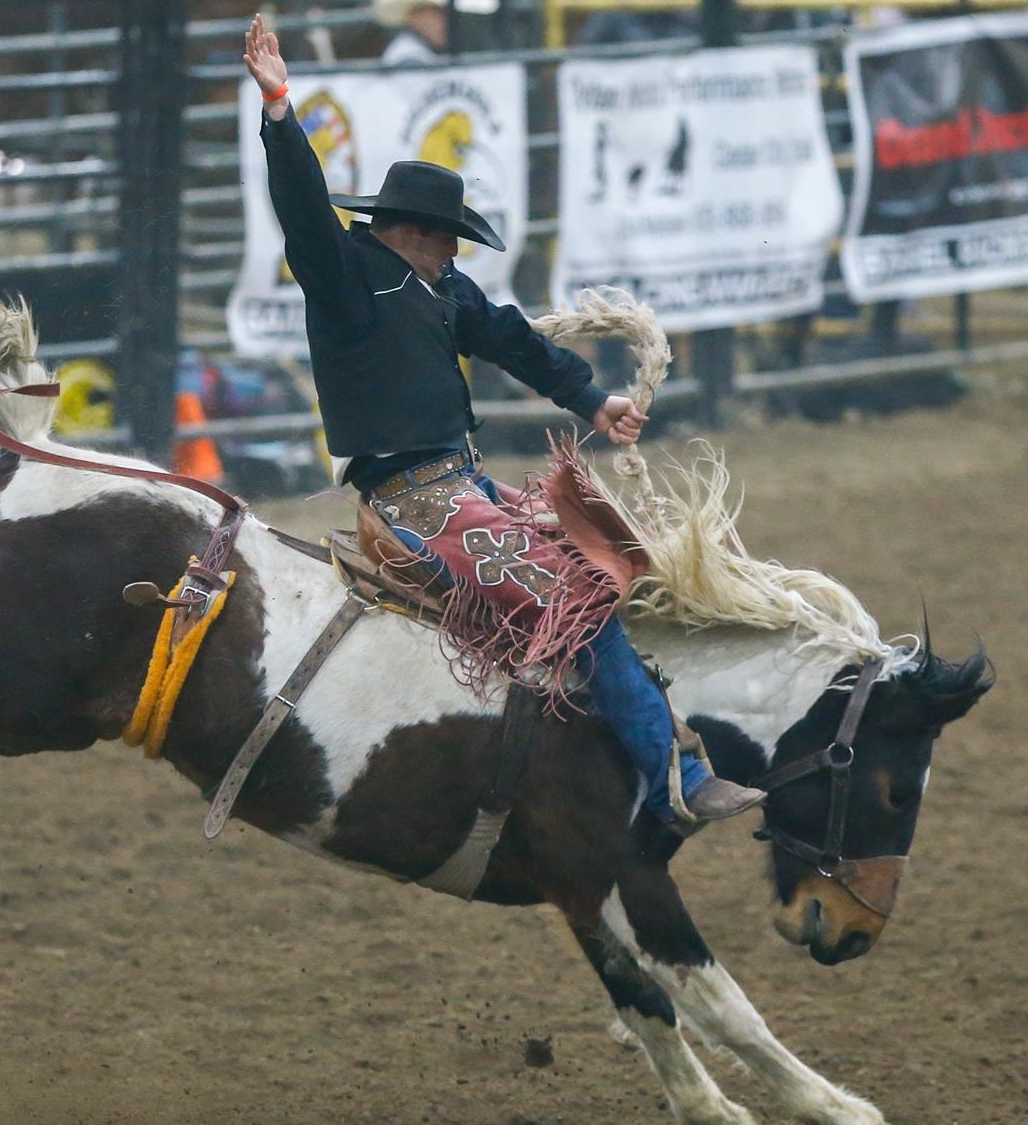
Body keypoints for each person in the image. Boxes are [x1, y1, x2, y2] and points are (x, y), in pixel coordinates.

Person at [242, 16, 764, 827]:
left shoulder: (443, 292)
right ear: (418, 233)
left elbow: (513, 339)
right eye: (448, 240)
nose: (454, 255)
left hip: (456, 482)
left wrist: (593, 402)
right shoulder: (346, 276)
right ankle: (678, 776)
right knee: (578, 593)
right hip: (412, 497)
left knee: (608, 560)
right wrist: (280, 106)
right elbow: (304, 206)